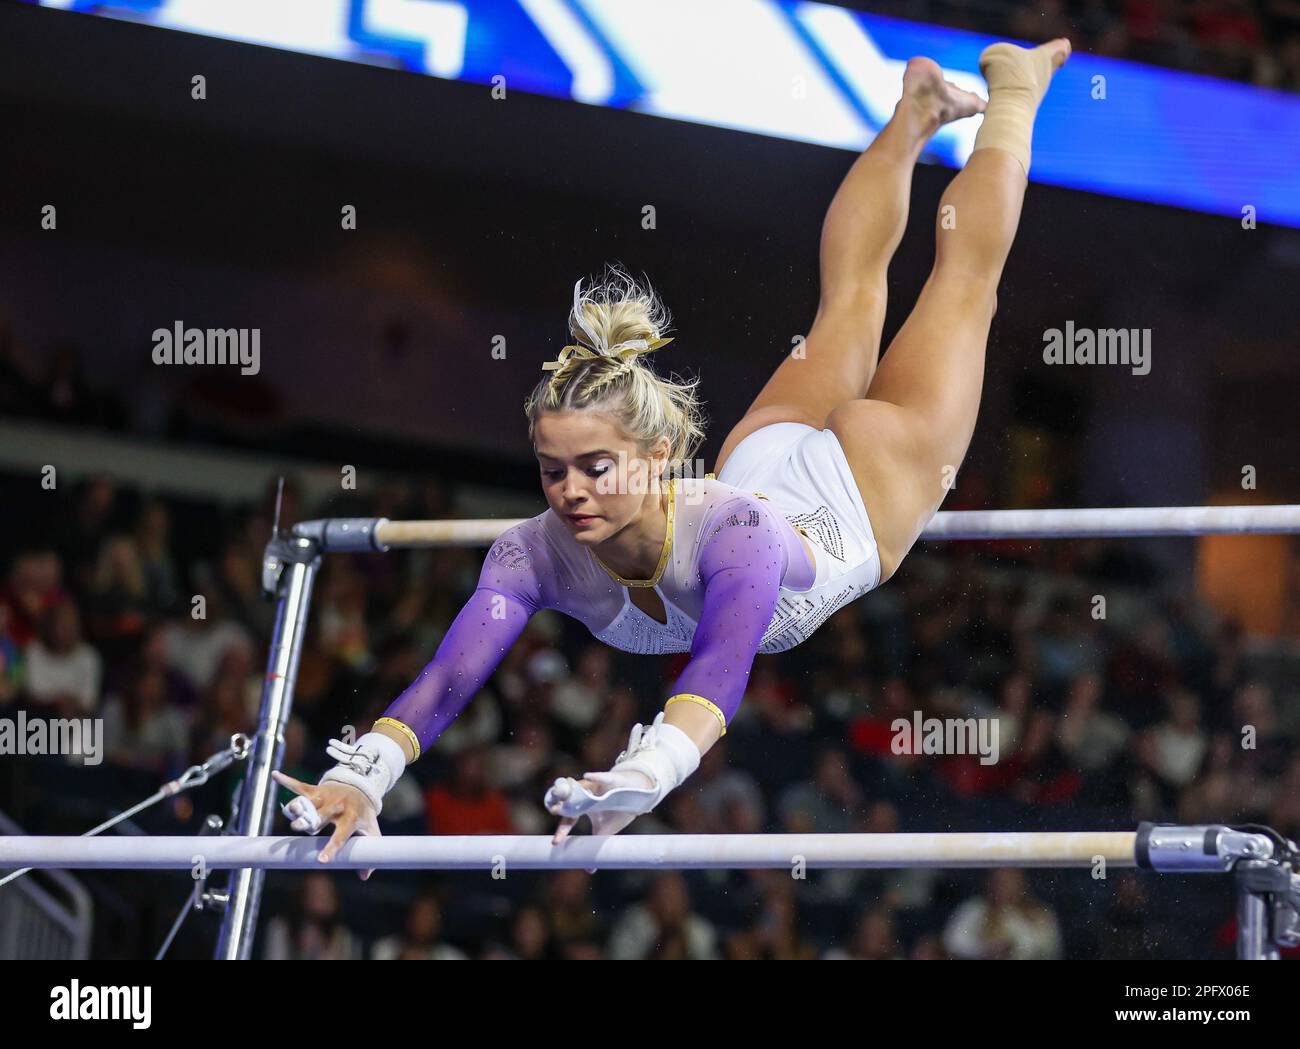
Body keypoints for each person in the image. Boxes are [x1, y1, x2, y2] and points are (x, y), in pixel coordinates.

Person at [275, 38, 1072, 863]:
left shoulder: (735, 536)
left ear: (657, 455)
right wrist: (368, 772)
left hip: (863, 487)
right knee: (850, 298)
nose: (571, 493)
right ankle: (914, 116)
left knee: (962, 284)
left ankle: (1013, 91)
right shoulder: (529, 555)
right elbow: (447, 678)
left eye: (596, 466)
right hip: (763, 459)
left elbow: (719, 671)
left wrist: (649, 769)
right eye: (553, 470)